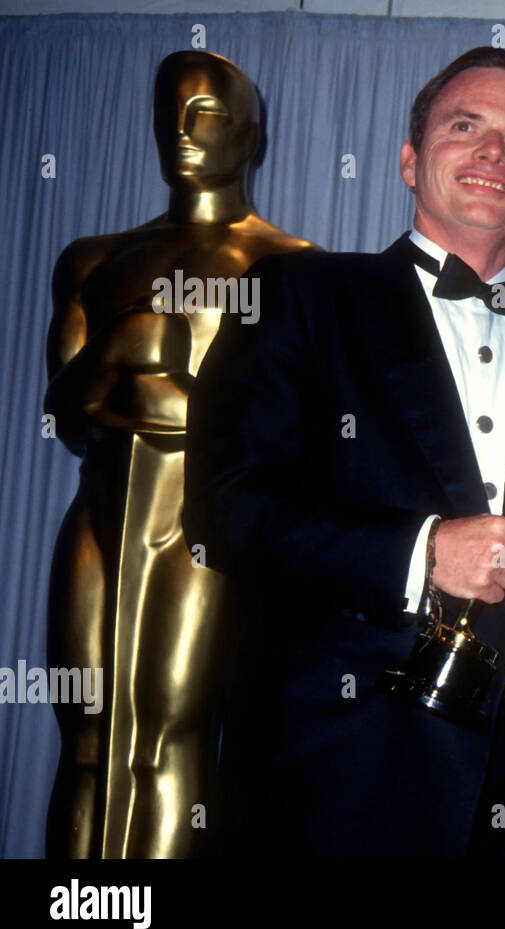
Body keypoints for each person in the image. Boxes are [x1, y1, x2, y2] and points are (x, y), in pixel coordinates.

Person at [183, 47, 505, 858]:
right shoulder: (296, 294)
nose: (490, 152)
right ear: (410, 160)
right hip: (351, 765)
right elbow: (227, 506)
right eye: (464, 125)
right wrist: (421, 551)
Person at [43, 50, 314, 858]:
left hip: (205, 526)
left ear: (251, 135)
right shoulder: (94, 261)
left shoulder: (296, 270)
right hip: (98, 510)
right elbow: (68, 408)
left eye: (207, 115)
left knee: (171, 733)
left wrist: (145, 381)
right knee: (87, 735)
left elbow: (281, 436)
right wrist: (122, 356)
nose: (183, 133)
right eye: (170, 113)